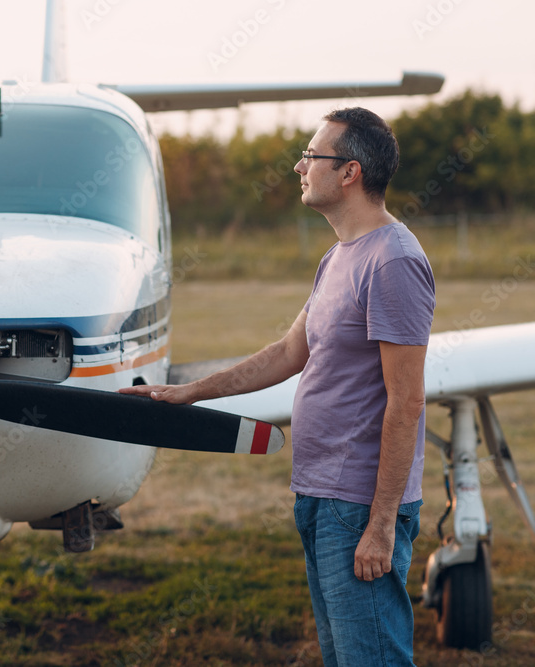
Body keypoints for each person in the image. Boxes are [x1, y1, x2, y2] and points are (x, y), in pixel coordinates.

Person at [121, 107, 435, 665]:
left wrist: (382, 524)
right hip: (319, 494)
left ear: (350, 173)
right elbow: (290, 352)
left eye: (312, 155)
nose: (299, 165)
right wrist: (189, 392)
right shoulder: (339, 256)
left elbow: (406, 403)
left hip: (358, 505)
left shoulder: (393, 262)